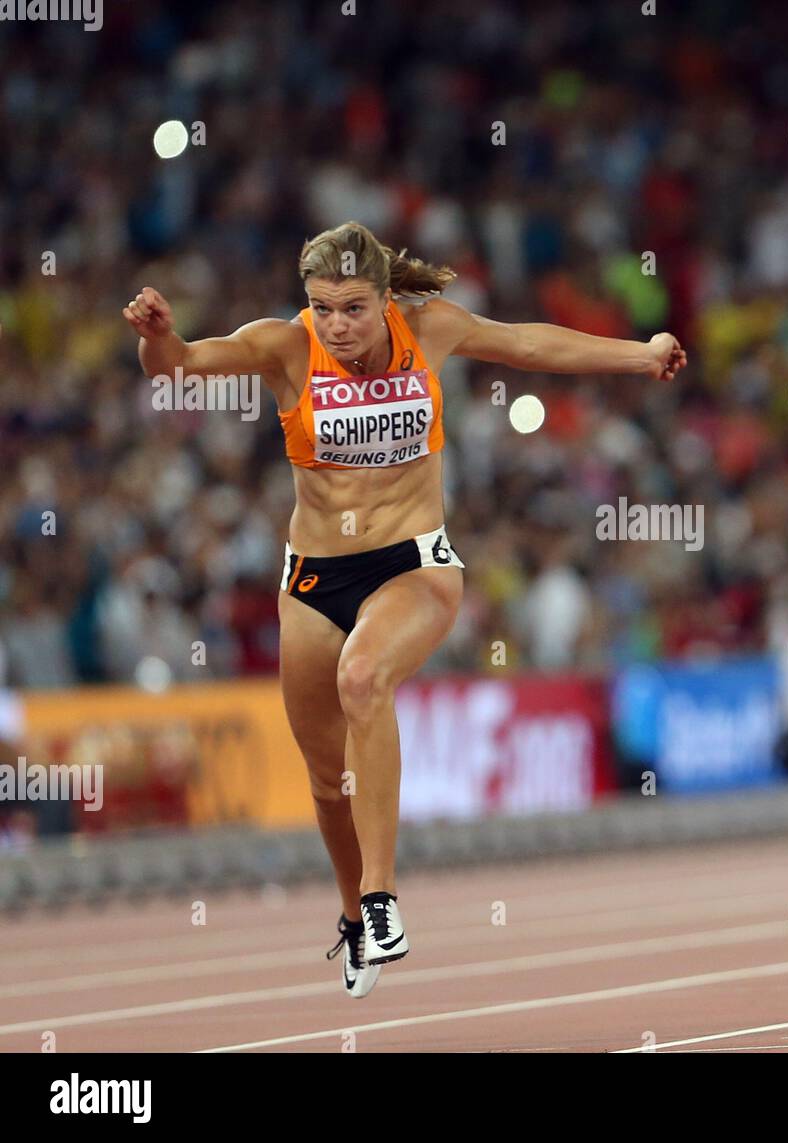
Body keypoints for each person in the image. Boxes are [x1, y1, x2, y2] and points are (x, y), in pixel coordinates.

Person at [124, 221, 686, 995]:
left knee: (364, 680)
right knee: (326, 781)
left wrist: (641, 352)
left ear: (387, 299)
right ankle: (354, 915)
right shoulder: (286, 348)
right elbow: (180, 366)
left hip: (413, 563)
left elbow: (529, 345)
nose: (338, 326)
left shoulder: (430, 328)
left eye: (353, 308)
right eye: (323, 308)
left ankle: (384, 898)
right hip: (315, 580)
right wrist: (160, 337)